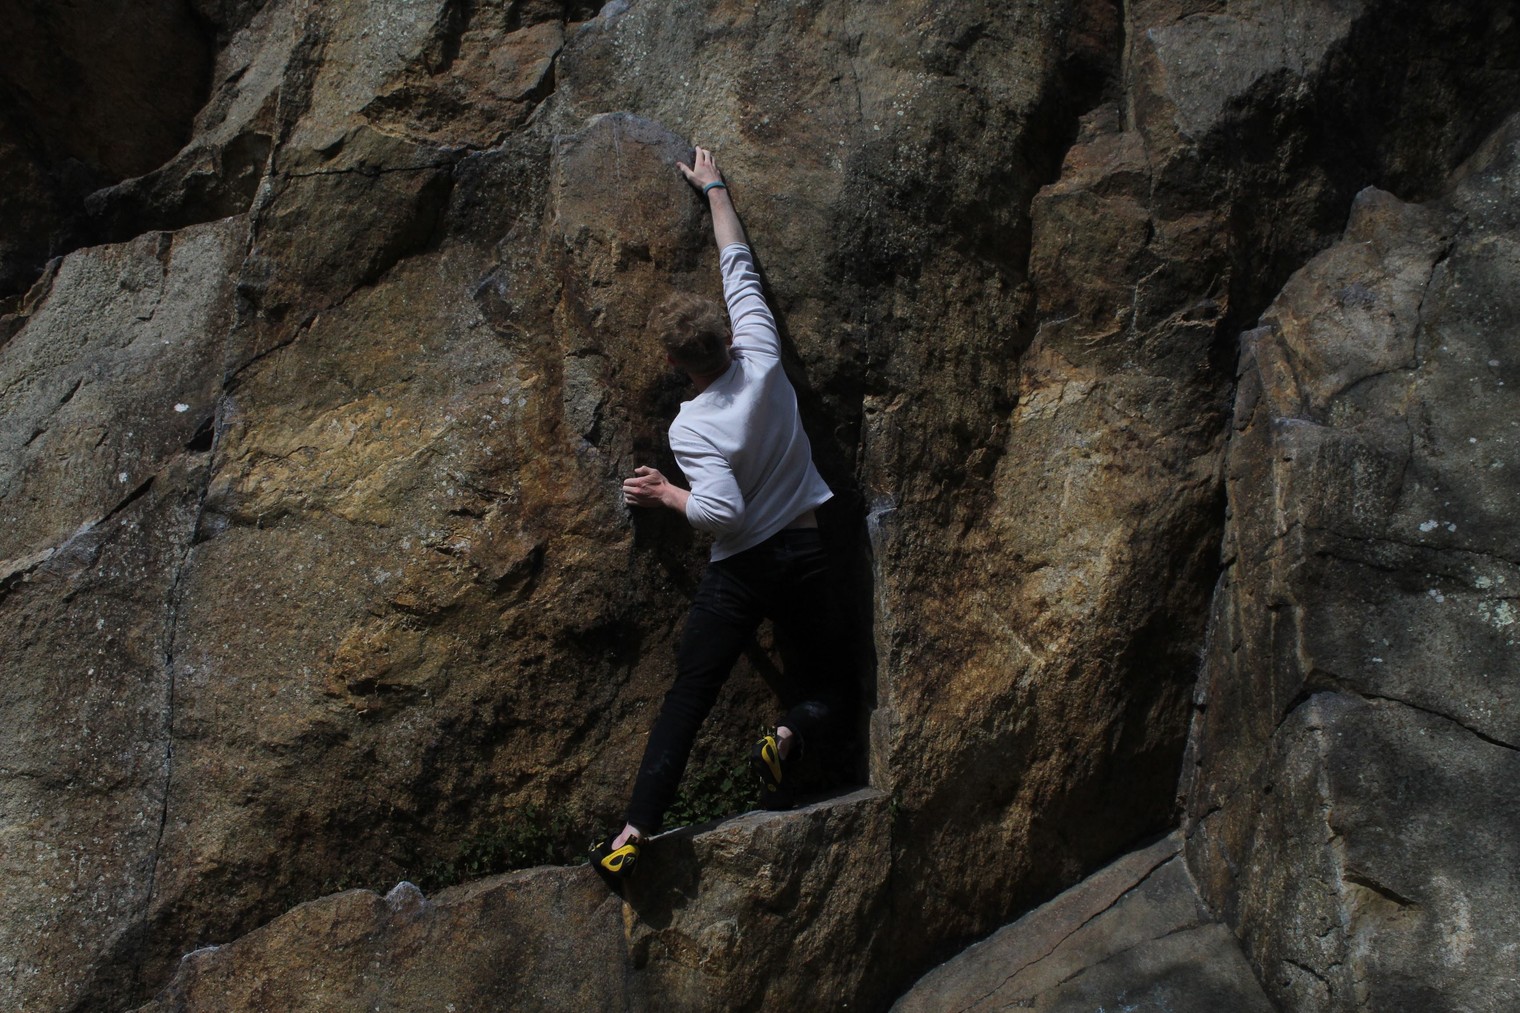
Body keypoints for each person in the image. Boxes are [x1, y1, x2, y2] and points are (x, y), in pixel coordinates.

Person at [591, 147, 848, 882]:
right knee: (826, 682)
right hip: (803, 550)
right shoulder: (762, 355)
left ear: (677, 365)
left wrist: (668, 495)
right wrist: (715, 189)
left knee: (688, 699)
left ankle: (633, 832)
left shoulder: (691, 427)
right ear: (728, 337)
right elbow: (739, 264)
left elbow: (722, 511)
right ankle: (791, 732)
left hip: (739, 571)